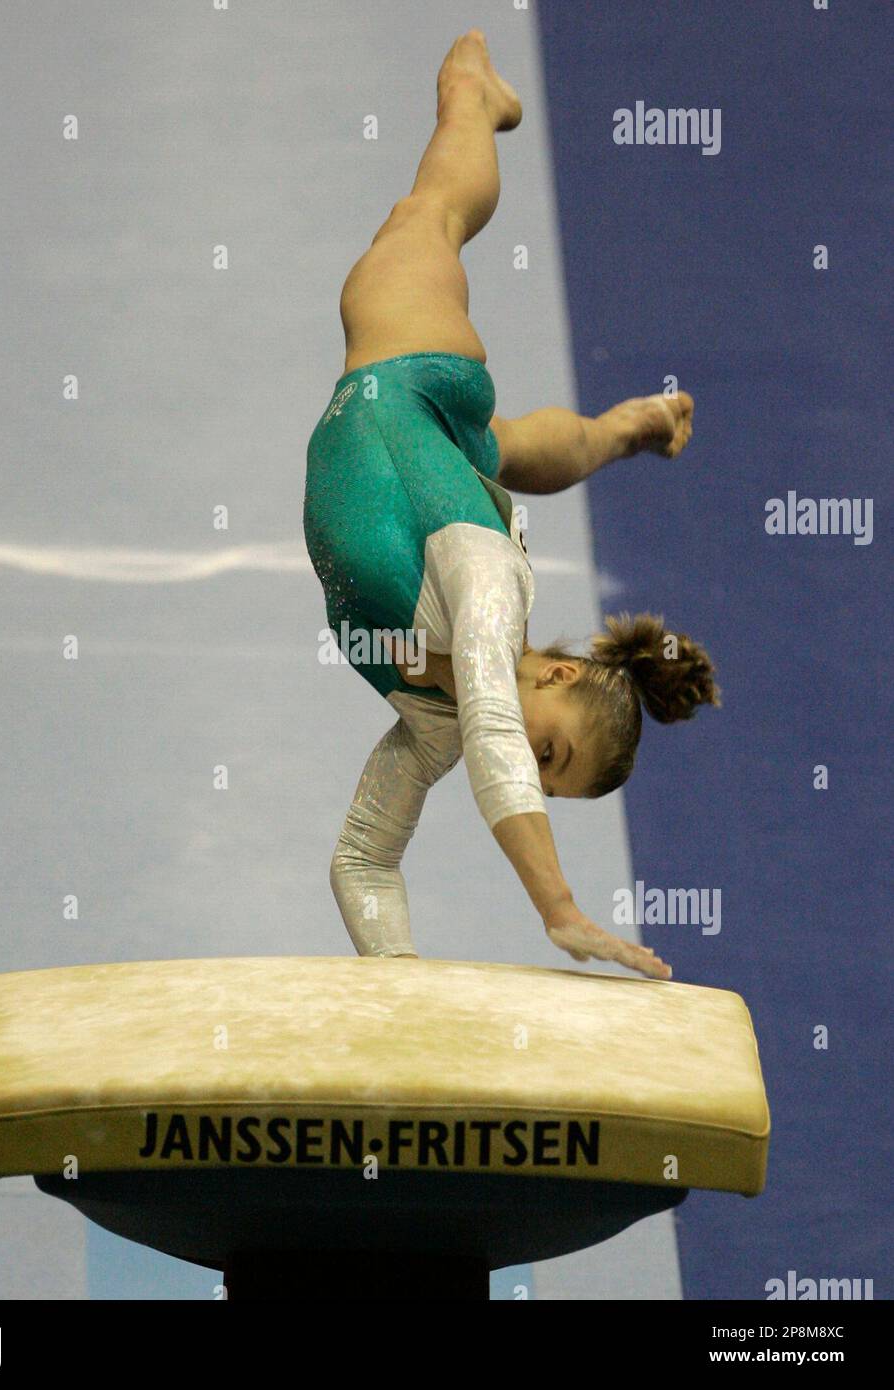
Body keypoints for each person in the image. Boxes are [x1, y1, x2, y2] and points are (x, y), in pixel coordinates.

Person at [303, 31, 719, 980]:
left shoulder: (432, 726)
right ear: (561, 678)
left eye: (545, 778)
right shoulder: (492, 592)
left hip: (432, 460)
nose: (526, 770)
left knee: (516, 452)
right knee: (433, 215)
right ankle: (469, 88)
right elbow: (494, 718)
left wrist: (401, 987)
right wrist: (561, 910)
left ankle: (626, 426)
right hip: (405, 372)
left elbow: (362, 859)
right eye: (549, 751)